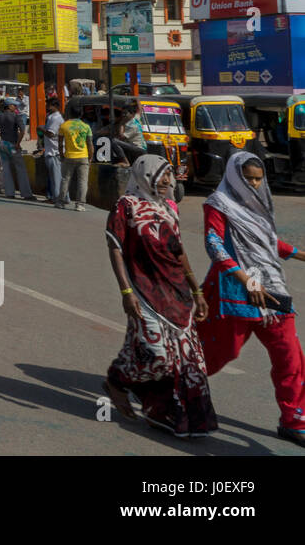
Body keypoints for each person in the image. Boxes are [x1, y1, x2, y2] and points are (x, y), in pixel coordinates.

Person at [196, 152, 305, 446]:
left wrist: (300, 254)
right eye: (249, 178)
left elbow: (268, 242)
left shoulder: (259, 204)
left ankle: (294, 420)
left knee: (290, 356)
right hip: (234, 290)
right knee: (220, 354)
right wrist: (248, 281)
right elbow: (214, 245)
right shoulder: (218, 204)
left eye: (258, 178)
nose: (254, 184)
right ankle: (168, 388)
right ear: (234, 176)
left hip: (272, 289)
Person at [102, 155, 216, 437]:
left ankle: (163, 413)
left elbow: (179, 251)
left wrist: (197, 290)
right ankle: (118, 381)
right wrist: (126, 291)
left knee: (189, 363)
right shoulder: (125, 206)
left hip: (177, 292)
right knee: (159, 355)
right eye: (161, 176)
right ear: (144, 175)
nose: (167, 182)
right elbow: (115, 247)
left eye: (169, 176)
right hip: (143, 290)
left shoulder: (170, 208)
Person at [0, 100, 33, 201]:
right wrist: (18, 144)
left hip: (2, 144)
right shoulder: (16, 116)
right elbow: (22, 131)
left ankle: (9, 193)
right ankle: (27, 194)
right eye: (14, 105)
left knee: (6, 169)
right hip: (12, 145)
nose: (15, 107)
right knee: (20, 169)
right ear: (9, 106)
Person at [57, 104, 92, 211]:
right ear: (81, 114)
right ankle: (80, 204)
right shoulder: (86, 127)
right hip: (83, 156)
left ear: (70, 113)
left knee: (65, 179)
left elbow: (60, 143)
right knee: (82, 181)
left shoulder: (64, 126)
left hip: (69, 156)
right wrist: (90, 158)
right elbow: (90, 144)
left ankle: (61, 202)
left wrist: (61, 154)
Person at [39, 98, 64, 204]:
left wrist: (41, 129)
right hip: (51, 150)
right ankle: (62, 198)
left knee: (56, 178)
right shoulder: (51, 117)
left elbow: (51, 134)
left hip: (54, 151)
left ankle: (57, 198)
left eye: (48, 104)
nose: (47, 106)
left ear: (55, 106)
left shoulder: (56, 118)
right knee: (57, 177)